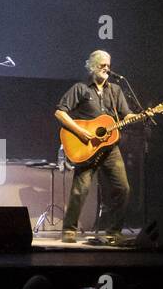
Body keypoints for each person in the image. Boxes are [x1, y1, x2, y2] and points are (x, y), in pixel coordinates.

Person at [54, 49, 132, 245]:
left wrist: (141, 116)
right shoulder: (80, 88)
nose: (106, 68)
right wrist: (81, 132)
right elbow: (60, 113)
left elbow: (126, 115)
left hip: (110, 148)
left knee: (123, 188)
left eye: (108, 65)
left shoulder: (115, 90)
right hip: (86, 147)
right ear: (92, 67)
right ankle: (69, 230)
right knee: (80, 190)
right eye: (102, 65)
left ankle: (113, 232)